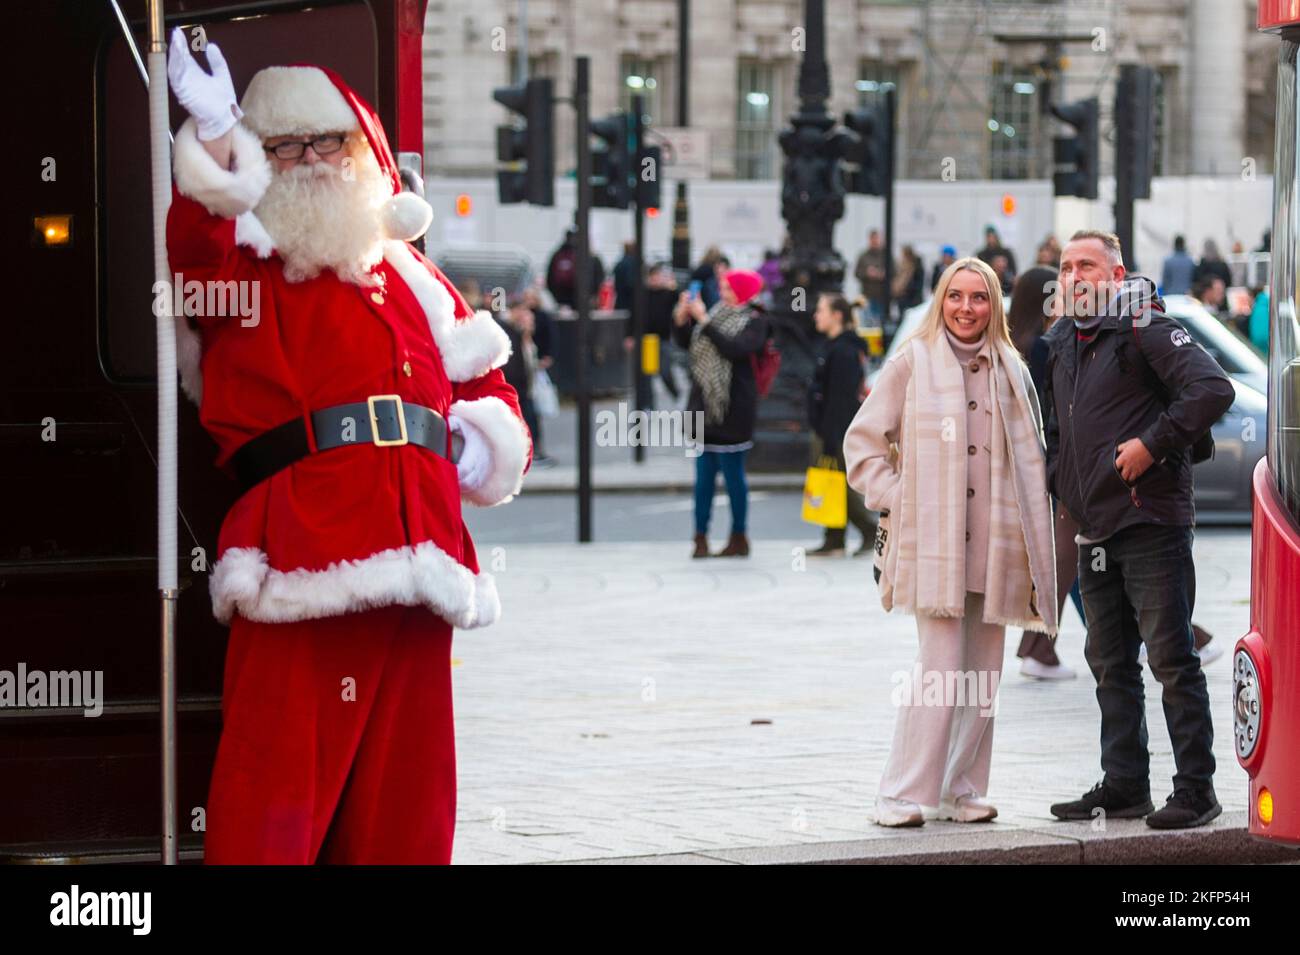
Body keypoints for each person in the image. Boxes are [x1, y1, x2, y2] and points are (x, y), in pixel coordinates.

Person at [165, 35, 532, 863]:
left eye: (327, 141)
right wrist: (221, 134)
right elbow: (196, 249)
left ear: (362, 147)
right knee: (276, 804)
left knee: (409, 807)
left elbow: (489, 386)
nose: (310, 161)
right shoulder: (243, 268)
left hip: (425, 553)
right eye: (283, 146)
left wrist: (469, 447)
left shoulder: (410, 273)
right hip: (304, 553)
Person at [844, 257, 1058, 827]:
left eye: (979, 297)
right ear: (941, 301)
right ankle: (902, 791)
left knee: (984, 672)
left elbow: (1033, 454)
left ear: (994, 305)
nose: (967, 308)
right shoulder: (912, 362)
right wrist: (901, 497)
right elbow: (863, 446)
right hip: (934, 546)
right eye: (956, 296)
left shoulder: (1011, 366)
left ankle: (961, 789)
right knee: (937, 669)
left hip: (996, 545)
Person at [1044, 231, 1234, 830]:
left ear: (1116, 272)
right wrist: (1061, 481)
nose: (1075, 275)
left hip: (1149, 521)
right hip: (1093, 525)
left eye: (1088, 265)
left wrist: (1152, 446)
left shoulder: (1142, 324)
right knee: (1109, 661)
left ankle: (1196, 791)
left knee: (1171, 659)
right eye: (1067, 266)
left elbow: (1213, 389)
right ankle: (1125, 786)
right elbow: (1059, 429)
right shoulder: (1062, 343)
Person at [1005, 267, 1082, 681]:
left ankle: (1040, 647)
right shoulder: (1042, 347)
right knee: (1068, 555)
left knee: (1072, 557)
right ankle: (1040, 648)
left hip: (1034, 463)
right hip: (1053, 462)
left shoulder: (1014, 343)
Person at [673, 270, 769, 558]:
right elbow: (688, 343)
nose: (723, 293)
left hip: (734, 409)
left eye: (729, 288)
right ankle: (700, 537)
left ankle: (739, 536)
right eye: (723, 287)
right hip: (703, 407)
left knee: (733, 477)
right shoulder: (716, 313)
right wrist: (682, 318)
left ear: (743, 292)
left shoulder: (756, 320)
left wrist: (703, 320)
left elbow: (735, 349)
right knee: (703, 480)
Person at [806, 293, 873, 557]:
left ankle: (869, 529)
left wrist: (832, 437)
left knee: (839, 483)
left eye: (821, 310)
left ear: (837, 315)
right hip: (829, 427)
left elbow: (840, 398)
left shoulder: (844, 350)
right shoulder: (835, 345)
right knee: (829, 481)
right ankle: (834, 537)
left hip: (836, 429)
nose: (816, 315)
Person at [546, 227, 605, 309]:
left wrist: (558, 299)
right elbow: (600, 277)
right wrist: (594, 295)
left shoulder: (558, 255)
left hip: (563, 302)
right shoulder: (590, 256)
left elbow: (550, 280)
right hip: (586, 301)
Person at [854, 229, 888, 321]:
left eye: (876, 238)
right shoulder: (863, 256)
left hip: (882, 296)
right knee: (866, 322)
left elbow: (894, 272)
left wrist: (882, 274)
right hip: (867, 296)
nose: (874, 241)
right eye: (872, 239)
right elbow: (856, 273)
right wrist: (867, 273)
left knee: (881, 321)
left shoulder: (886, 255)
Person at [892, 245, 925, 318]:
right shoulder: (901, 265)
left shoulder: (916, 266)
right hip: (902, 297)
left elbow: (918, 283)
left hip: (912, 298)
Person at [613, 240, 637, 312]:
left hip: (620, 300)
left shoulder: (620, 263)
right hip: (629, 302)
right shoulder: (633, 263)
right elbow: (630, 283)